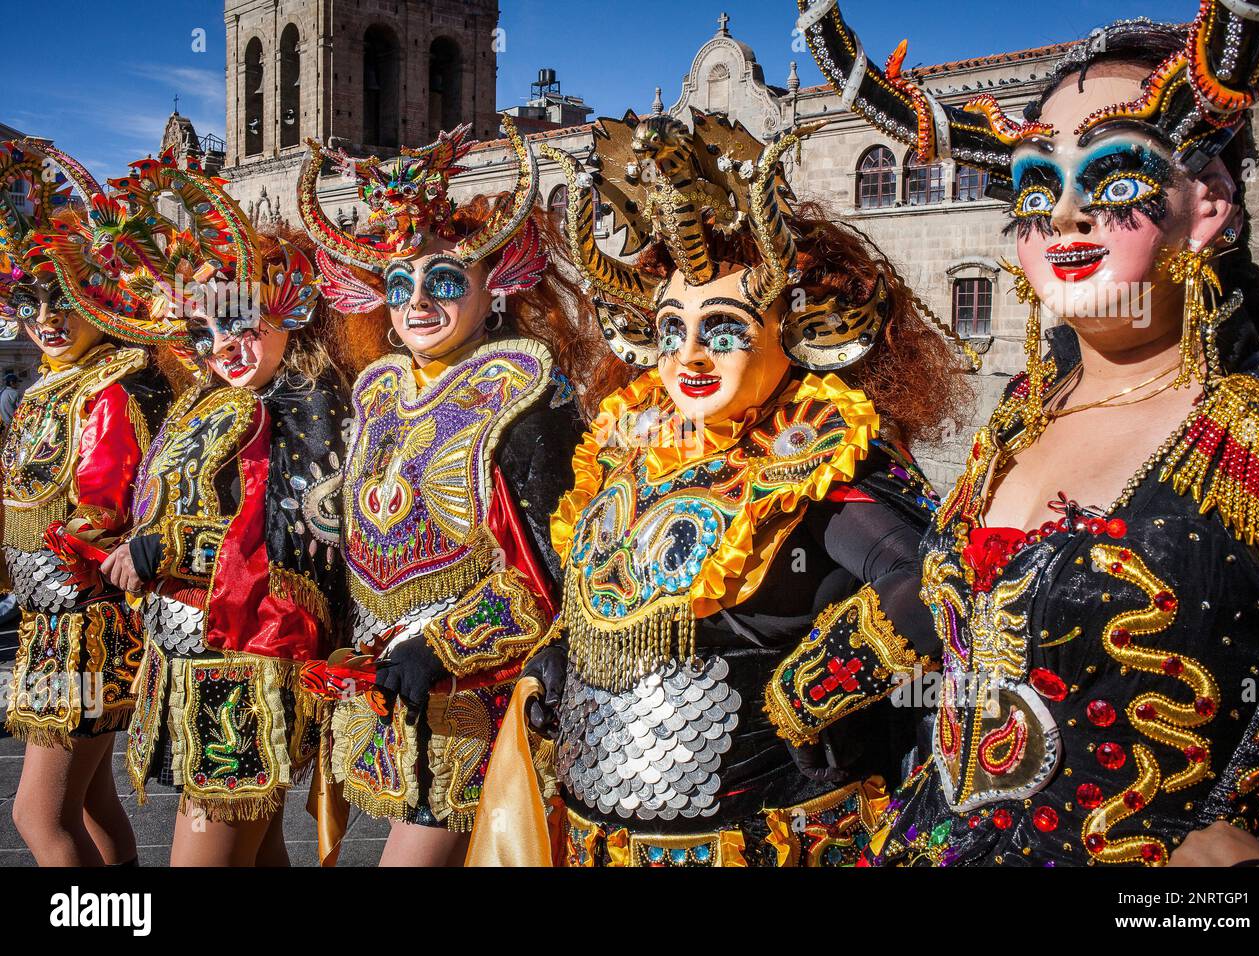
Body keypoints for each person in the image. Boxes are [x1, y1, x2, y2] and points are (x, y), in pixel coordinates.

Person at [798, 0, 1259, 865]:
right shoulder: (1022, 414)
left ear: (1208, 203)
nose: (1063, 215)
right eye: (1036, 188)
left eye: (1109, 181)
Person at [503, 108, 967, 867]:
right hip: (598, 835)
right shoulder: (632, 447)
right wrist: (560, 654)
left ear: (797, 332)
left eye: (721, 331)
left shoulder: (817, 456)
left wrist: (809, 691)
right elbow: (609, 594)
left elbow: (936, 577)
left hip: (762, 842)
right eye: (669, 331)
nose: (689, 357)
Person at [34, 146, 349, 866]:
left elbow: (297, 544)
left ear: (284, 309)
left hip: (245, 667)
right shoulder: (211, 401)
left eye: (238, 323)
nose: (222, 348)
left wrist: (166, 549)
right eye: (202, 334)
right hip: (191, 658)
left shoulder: (302, 407)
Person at [298, 117, 597, 865]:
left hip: (476, 702)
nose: (417, 303)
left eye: (442, 282)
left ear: (493, 289)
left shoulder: (524, 402)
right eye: (400, 285)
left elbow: (549, 582)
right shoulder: (382, 392)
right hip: (389, 690)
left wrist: (440, 645)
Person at [1, 139, 171, 865]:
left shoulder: (114, 382)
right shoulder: (47, 386)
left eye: (65, 301)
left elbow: (103, 506)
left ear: (100, 298)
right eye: (32, 302)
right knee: (89, 805)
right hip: (53, 621)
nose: (47, 319)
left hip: (83, 628)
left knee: (38, 816)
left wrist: (46, 556)